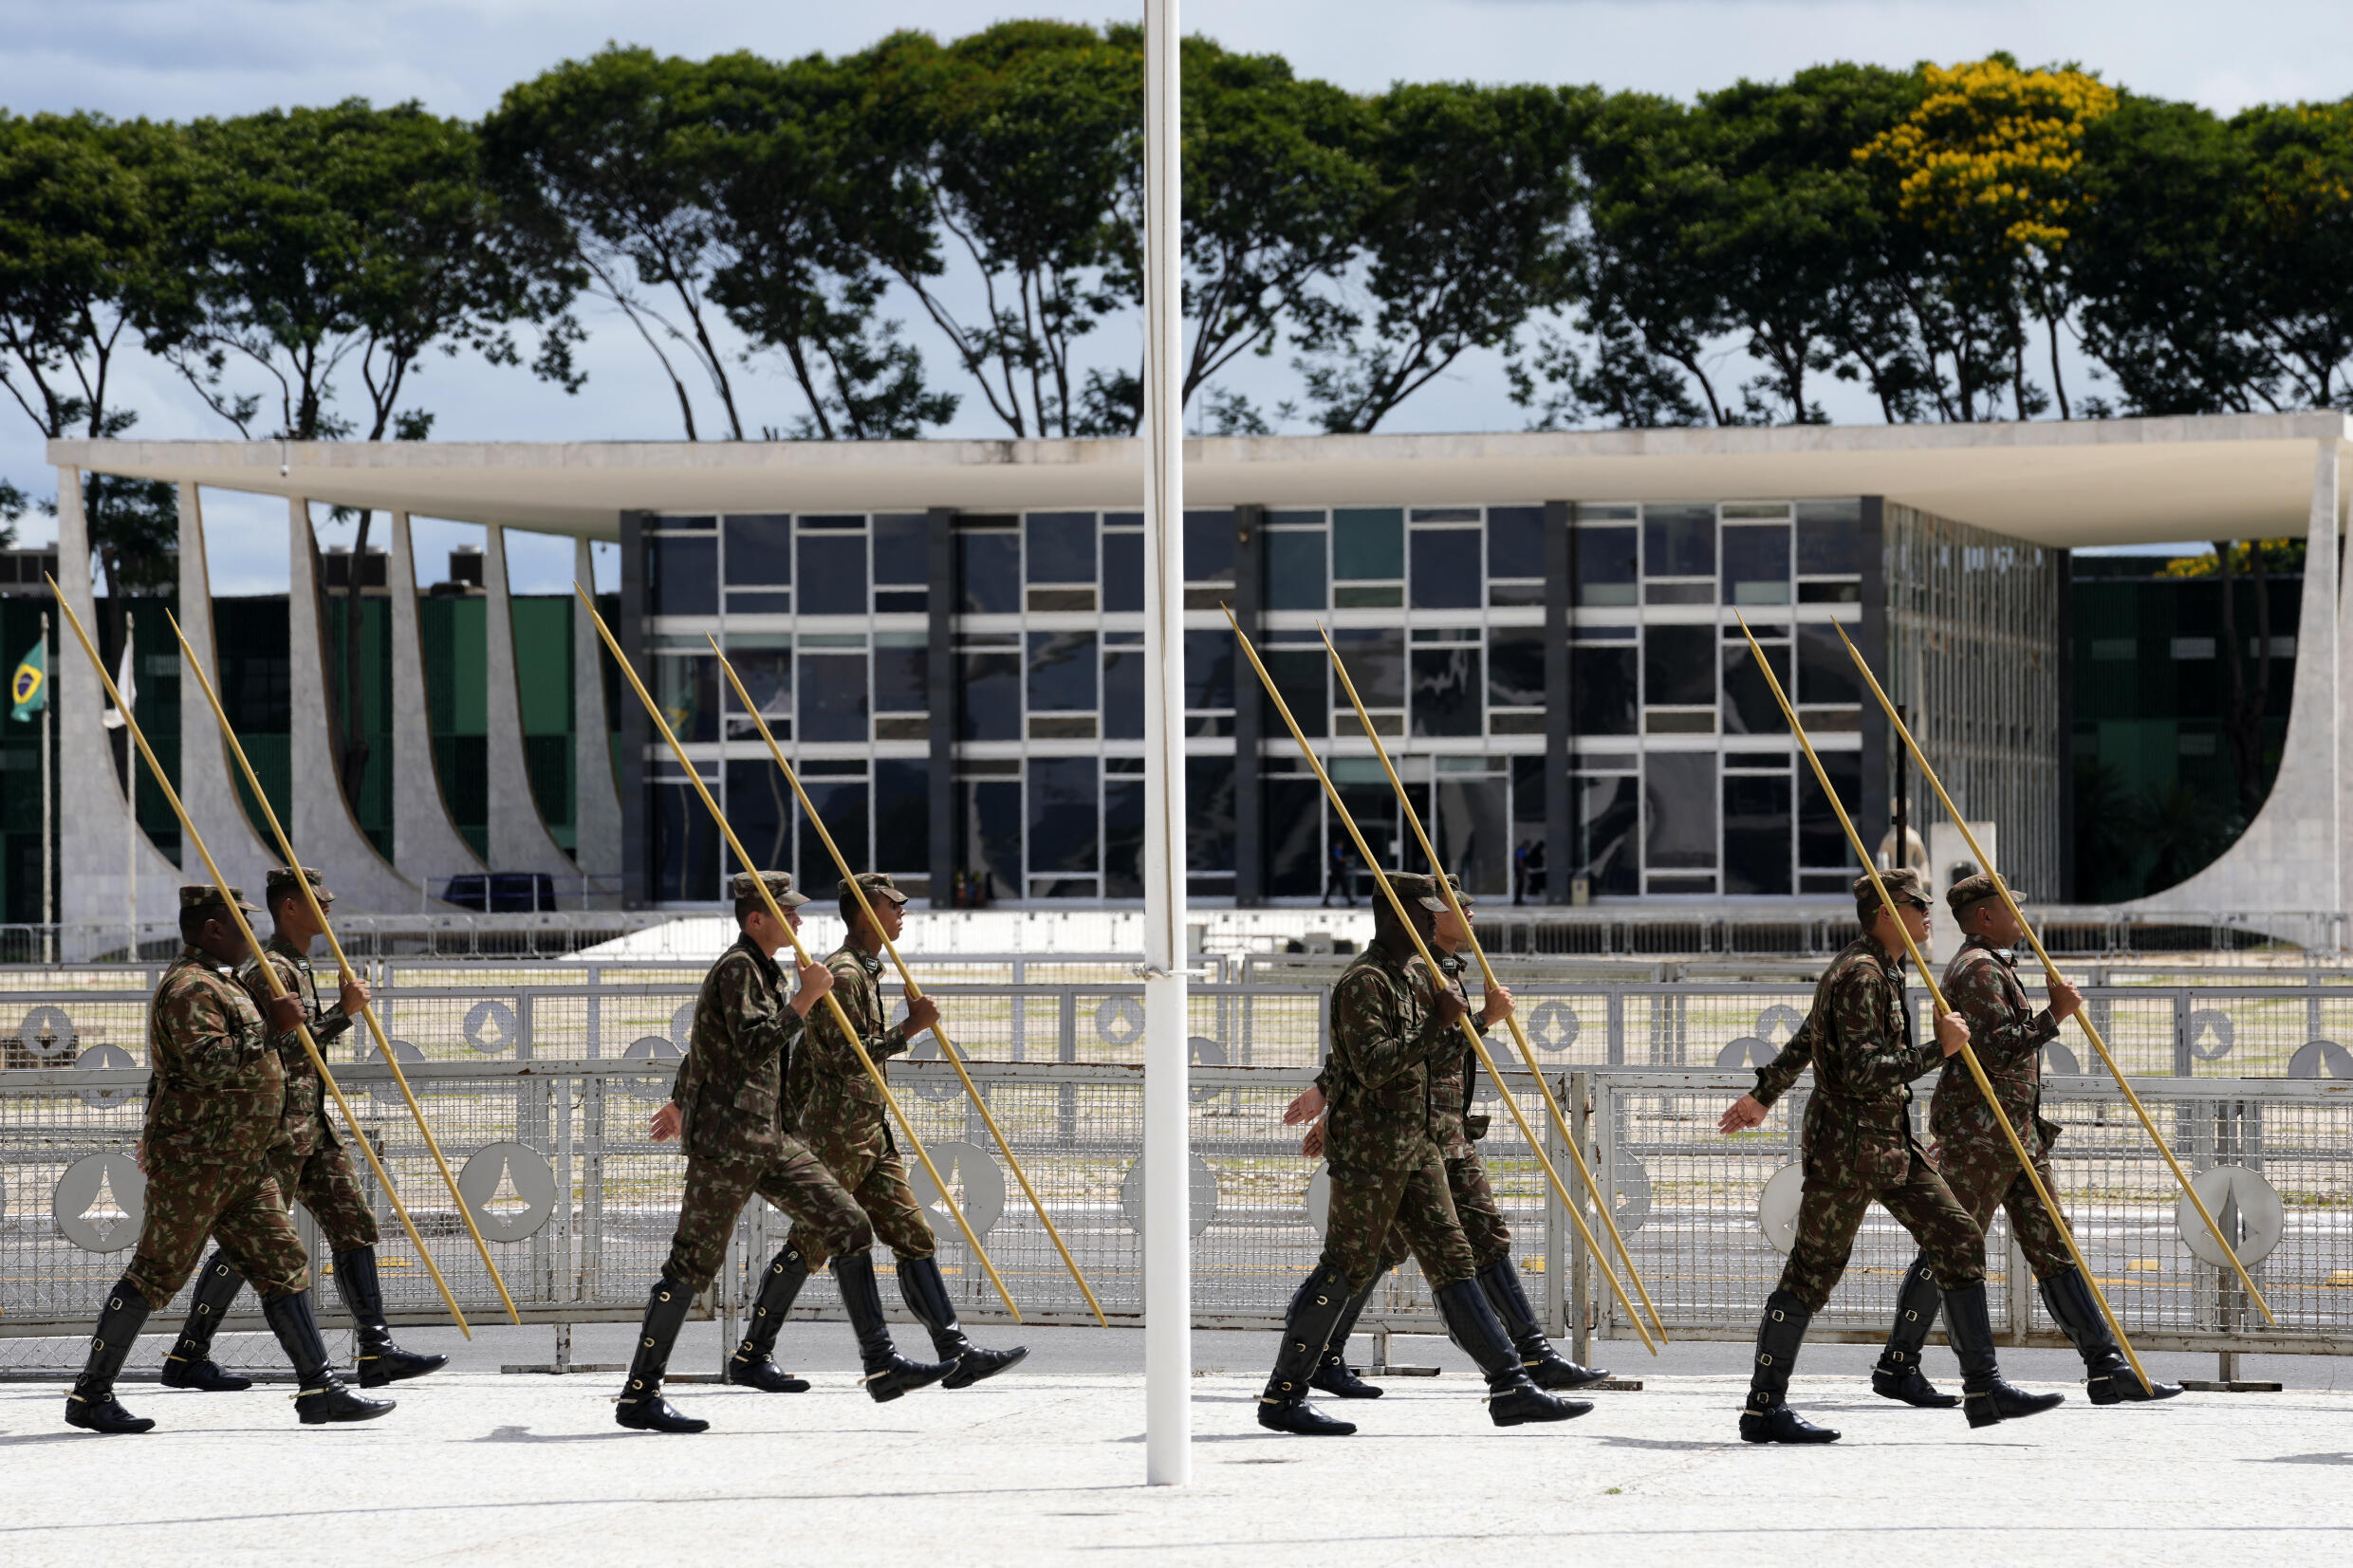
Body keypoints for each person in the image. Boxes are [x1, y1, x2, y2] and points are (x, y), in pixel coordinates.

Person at [1718, 870, 2064, 1442]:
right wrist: (1939, 1050)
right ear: (1886, 911)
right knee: (1811, 1274)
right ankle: (1763, 1409)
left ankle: (1983, 1386)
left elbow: (1809, 1037)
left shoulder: (1879, 967)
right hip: (1848, 1152)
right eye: (1916, 904)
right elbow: (1858, 1071)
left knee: (1957, 1234)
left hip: (1886, 1145)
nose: (1929, 914)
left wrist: (1763, 1093)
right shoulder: (1861, 974)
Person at [1257, 872, 1586, 1437]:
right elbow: (1374, 1065)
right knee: (1347, 1266)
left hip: (1419, 1146)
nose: (1436, 921)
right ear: (1396, 916)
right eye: (1426, 913)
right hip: (1372, 1155)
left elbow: (1430, 1060)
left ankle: (1511, 1385)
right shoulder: (1364, 982)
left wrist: (1449, 1023)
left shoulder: (1415, 977)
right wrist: (1445, 1021)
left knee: (1454, 1260)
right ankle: (1283, 1396)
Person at [624, 871, 949, 1434]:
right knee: (691, 1267)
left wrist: (679, 1098)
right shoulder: (737, 969)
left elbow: (707, 1045)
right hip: (727, 1146)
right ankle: (640, 1394)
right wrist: (804, 998)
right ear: (757, 919)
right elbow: (749, 1044)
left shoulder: (763, 971)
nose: (799, 922)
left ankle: (880, 1364)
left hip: (768, 1139)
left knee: (848, 1223)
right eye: (788, 913)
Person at [65, 886, 392, 1433]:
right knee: (155, 1273)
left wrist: (287, 1028)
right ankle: (91, 1395)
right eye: (242, 926)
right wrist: (274, 1026)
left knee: (282, 1263)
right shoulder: (188, 988)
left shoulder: (223, 983)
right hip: (197, 1165)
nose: (252, 938)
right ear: (214, 928)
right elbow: (205, 1063)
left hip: (243, 1161)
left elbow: (258, 1055)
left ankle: (319, 1388)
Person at [1864, 876, 2180, 1407]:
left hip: (2016, 1137)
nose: (2022, 918)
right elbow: (1992, 1050)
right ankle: (1899, 1364)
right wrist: (2054, 1015)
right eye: (2012, 909)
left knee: (2053, 1244)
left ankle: (2106, 1368)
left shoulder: (1996, 965)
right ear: (1986, 917)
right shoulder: (1978, 970)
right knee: (1952, 1246)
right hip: (1982, 1140)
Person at [730, 874, 1026, 1393]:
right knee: (812, 1240)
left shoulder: (865, 970)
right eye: (894, 904)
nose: (903, 912)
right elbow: (843, 1057)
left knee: (914, 1235)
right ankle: (753, 1354)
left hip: (869, 1132)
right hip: (837, 1134)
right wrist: (910, 1029)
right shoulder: (842, 975)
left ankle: (954, 1353)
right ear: (867, 912)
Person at [157, 867, 444, 1393]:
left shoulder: (301, 966)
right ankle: (188, 1351)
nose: (330, 910)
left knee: (353, 1222)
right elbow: (277, 1047)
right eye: (321, 901)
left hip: (309, 1123)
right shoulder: (270, 971)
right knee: (255, 1245)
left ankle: (375, 1347)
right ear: (290, 907)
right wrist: (342, 1013)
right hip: (274, 1132)